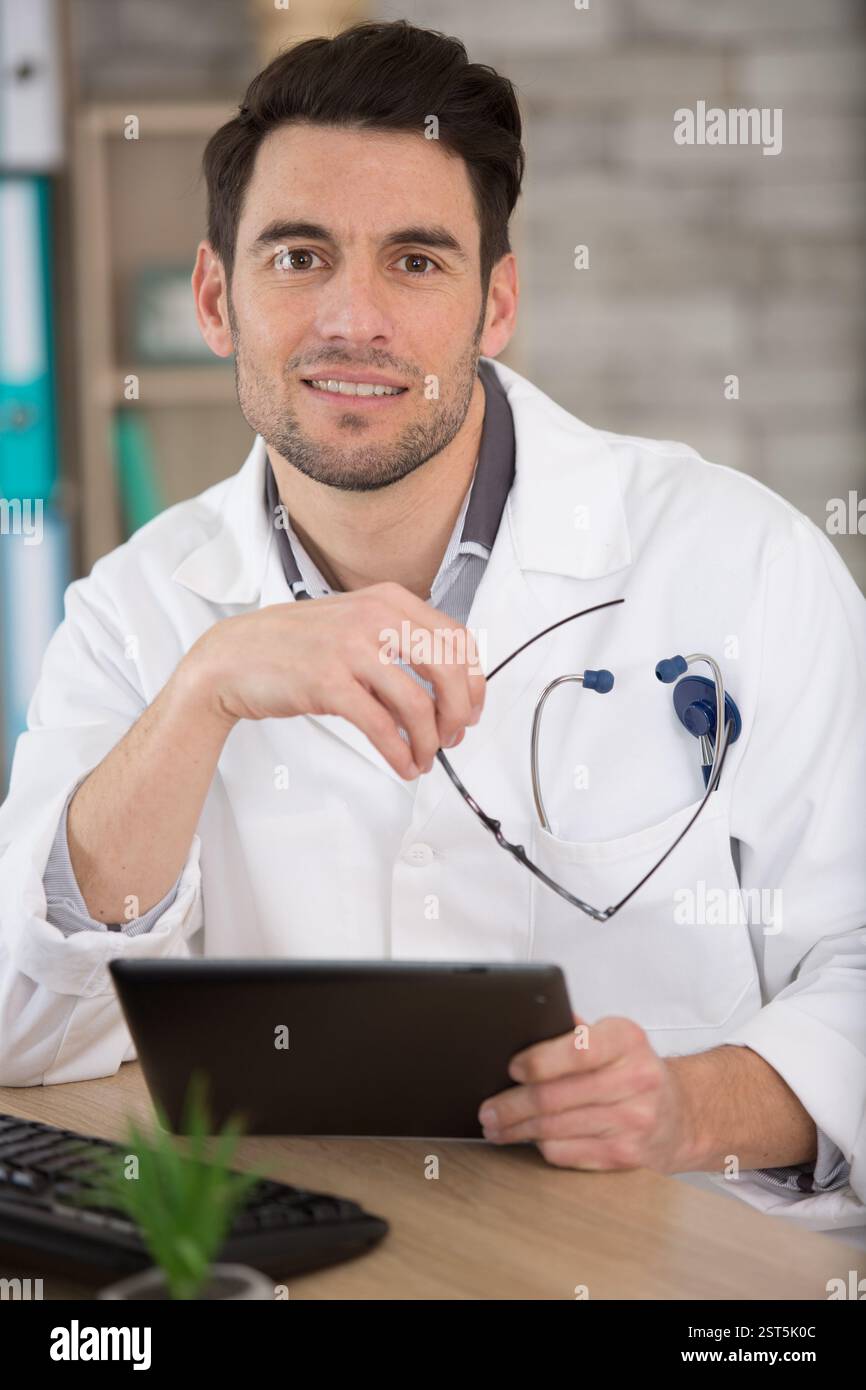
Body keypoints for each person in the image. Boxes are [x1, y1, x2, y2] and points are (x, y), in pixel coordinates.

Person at [0, 20, 863, 1235]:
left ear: (493, 303)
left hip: (696, 1271)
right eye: (299, 256)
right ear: (215, 296)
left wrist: (681, 1108)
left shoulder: (743, 561)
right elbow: (23, 1031)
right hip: (329, 1262)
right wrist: (205, 692)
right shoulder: (140, 611)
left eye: (414, 261)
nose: (354, 319)